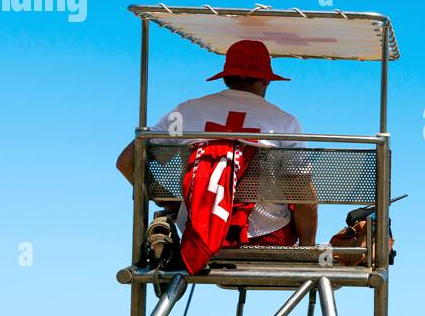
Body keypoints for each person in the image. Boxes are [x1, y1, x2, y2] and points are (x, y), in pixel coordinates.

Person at [115, 39, 317, 247]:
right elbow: (300, 190)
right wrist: (308, 246)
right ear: (266, 80)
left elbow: (126, 162)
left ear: (225, 78)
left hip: (199, 233)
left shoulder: (187, 111)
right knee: (298, 189)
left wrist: (165, 199)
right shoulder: (286, 123)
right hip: (267, 237)